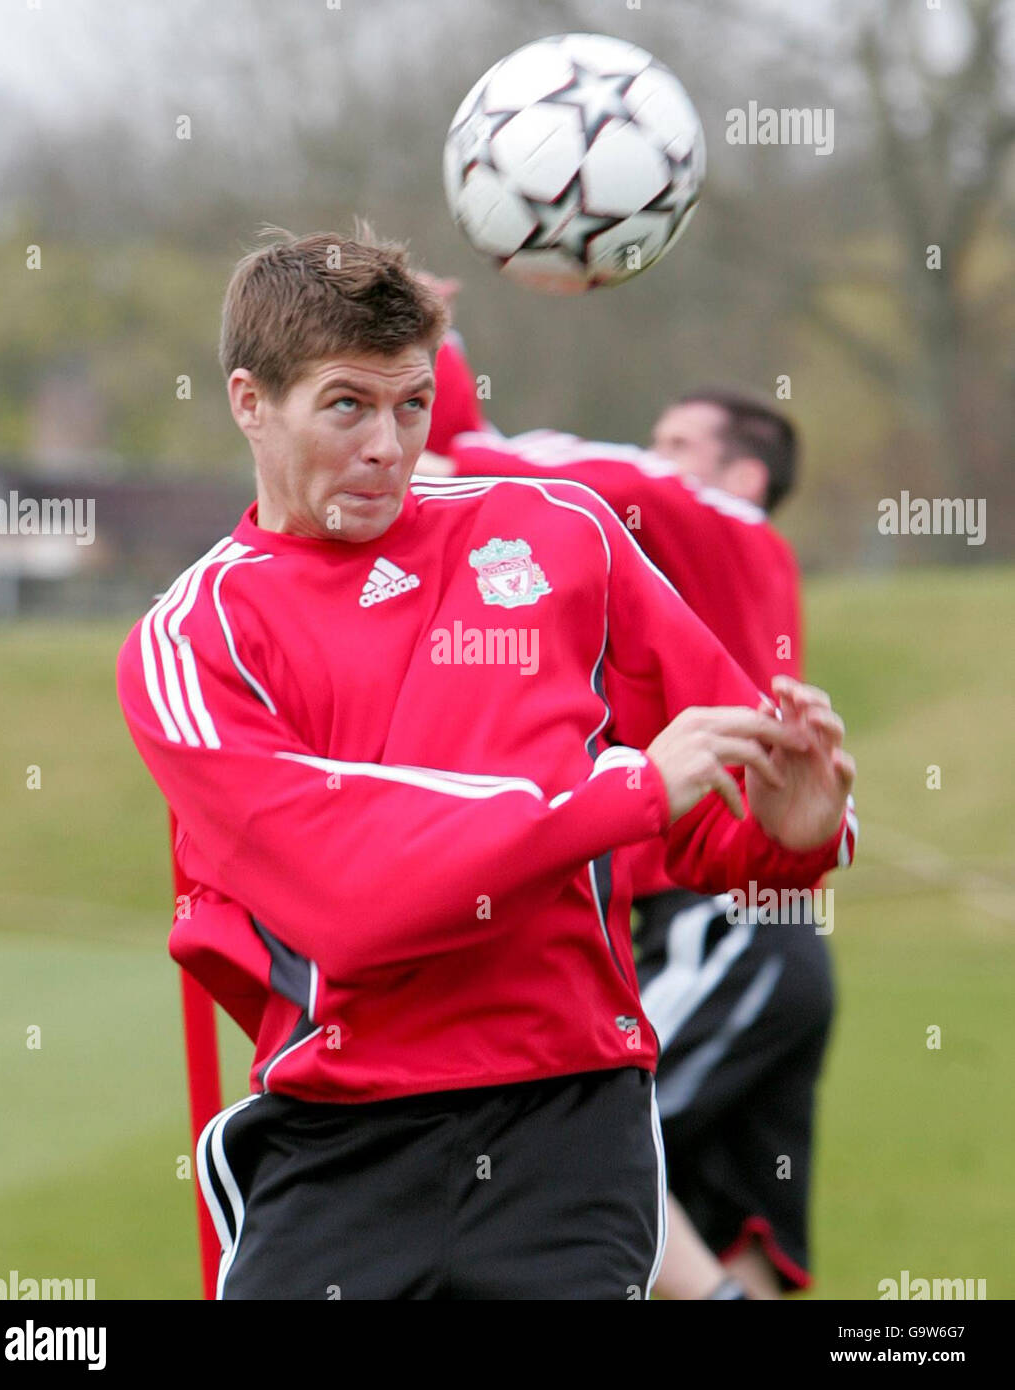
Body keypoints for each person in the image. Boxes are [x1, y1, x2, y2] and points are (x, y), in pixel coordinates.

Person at [115, 228, 856, 1301]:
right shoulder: (194, 638)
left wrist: (790, 833)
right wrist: (622, 792)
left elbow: (719, 809)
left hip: (571, 1127)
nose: (387, 444)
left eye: (411, 404)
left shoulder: (557, 536)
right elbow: (347, 889)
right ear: (248, 401)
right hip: (341, 1142)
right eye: (345, 405)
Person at [422, 323, 838, 1299]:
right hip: (749, 935)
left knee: (556, 1144)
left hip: (727, 929)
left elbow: (550, 474)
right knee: (727, 1217)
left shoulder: (724, 527)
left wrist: (451, 422)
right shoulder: (693, 561)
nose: (656, 461)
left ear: (740, 476)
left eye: (679, 444)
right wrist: (435, 356)